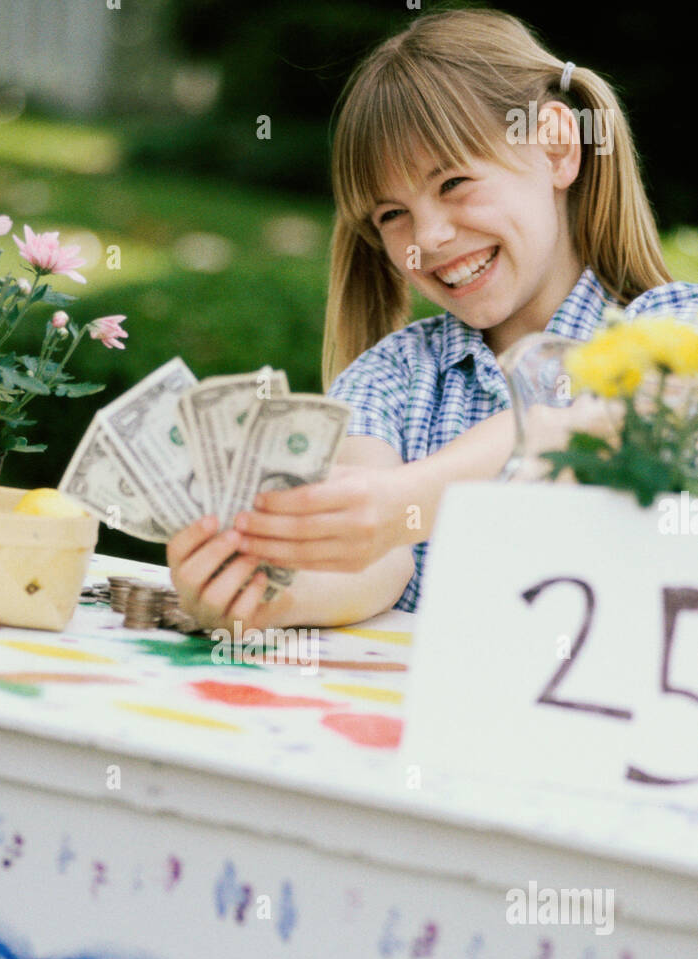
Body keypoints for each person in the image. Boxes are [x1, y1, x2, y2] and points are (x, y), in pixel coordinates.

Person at [168, 6, 698, 631]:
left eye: (452, 183)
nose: (432, 236)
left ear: (557, 147)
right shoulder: (393, 376)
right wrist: (263, 591)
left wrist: (405, 500)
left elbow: (614, 413)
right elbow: (376, 559)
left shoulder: (672, 323)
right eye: (392, 214)